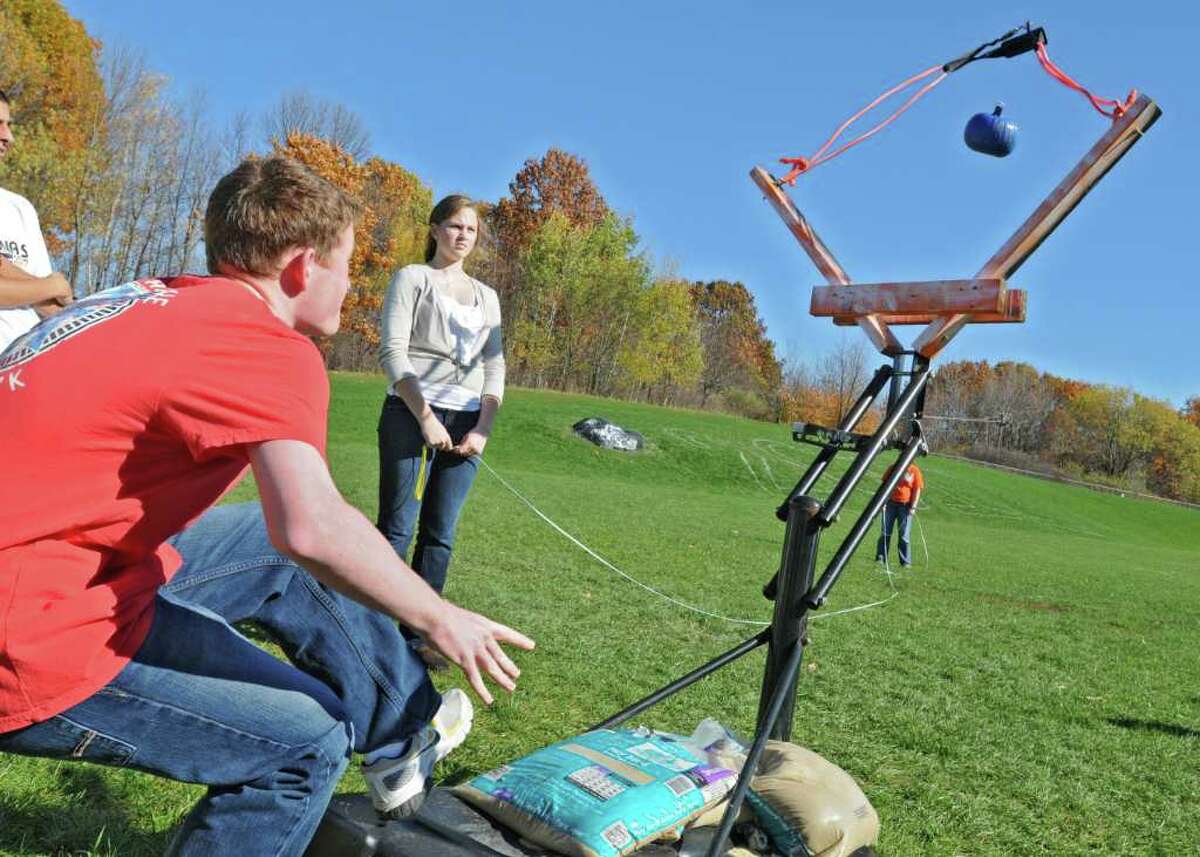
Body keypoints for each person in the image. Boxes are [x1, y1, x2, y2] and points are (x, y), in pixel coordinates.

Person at [0, 156, 533, 857]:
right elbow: (311, 525)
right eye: (346, 268)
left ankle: (402, 737)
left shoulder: (148, 296)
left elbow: (289, 532)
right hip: (30, 629)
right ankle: (374, 739)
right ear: (302, 266)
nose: (353, 288)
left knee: (263, 540)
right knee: (306, 742)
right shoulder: (266, 344)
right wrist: (440, 615)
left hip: (60, 563)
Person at [376, 195, 504, 666]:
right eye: (454, 226)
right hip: (410, 415)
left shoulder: (487, 297)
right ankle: (368, 626)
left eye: (471, 229)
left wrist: (482, 430)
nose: (463, 236)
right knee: (396, 527)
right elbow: (393, 352)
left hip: (467, 424)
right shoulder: (412, 279)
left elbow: (495, 368)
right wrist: (425, 418)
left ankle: (419, 634)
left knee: (439, 534)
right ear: (434, 229)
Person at [0, 88, 73, 350]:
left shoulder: (20, 208)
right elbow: (52, 289)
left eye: (8, 125)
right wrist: (51, 284)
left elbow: (53, 306)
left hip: (24, 374)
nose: (8, 137)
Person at [875, 461, 923, 567]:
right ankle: (881, 558)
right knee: (885, 532)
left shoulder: (915, 471)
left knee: (904, 536)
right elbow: (884, 485)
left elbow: (917, 489)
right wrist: (882, 503)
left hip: (905, 506)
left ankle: (905, 562)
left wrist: (913, 507)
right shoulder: (892, 467)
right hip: (890, 504)